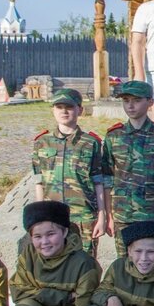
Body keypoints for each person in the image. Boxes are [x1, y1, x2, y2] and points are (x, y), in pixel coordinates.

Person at [101, 80, 154, 257]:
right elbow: (106, 178)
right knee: (124, 267)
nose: (130, 105)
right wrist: (109, 215)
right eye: (126, 100)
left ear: (150, 102)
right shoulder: (114, 136)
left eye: (136, 100)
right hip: (124, 214)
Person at [32, 88, 105, 256]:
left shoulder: (90, 143)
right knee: (53, 264)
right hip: (53, 216)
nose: (64, 111)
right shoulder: (42, 142)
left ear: (80, 109)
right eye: (59, 107)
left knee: (86, 265)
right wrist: (39, 215)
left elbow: (98, 182)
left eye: (69, 107)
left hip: (84, 216)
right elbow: (39, 182)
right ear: (53, 110)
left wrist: (102, 216)